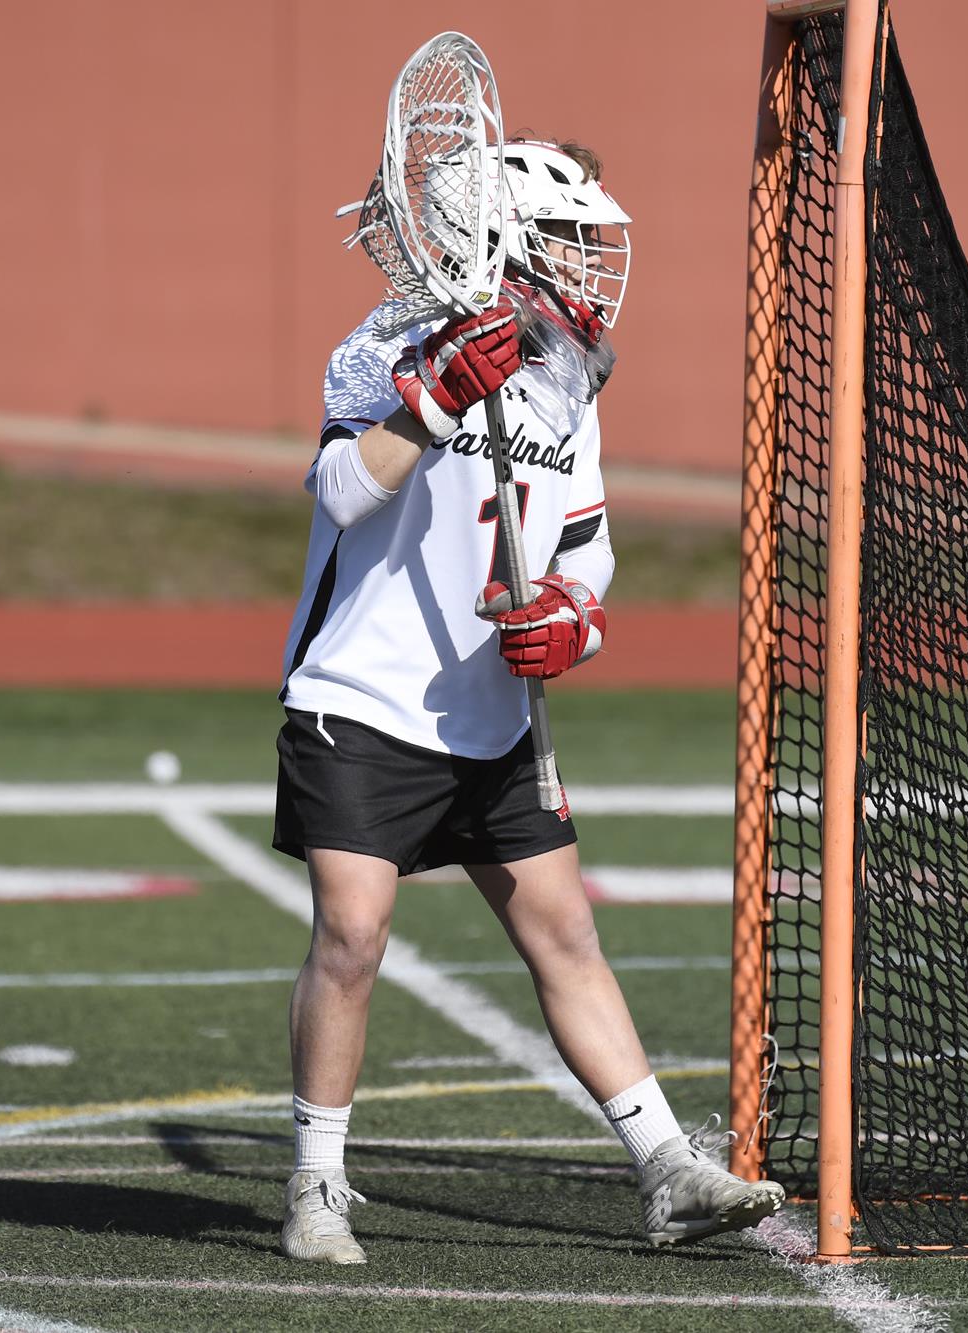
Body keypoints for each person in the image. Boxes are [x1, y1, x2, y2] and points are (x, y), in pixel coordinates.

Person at [272, 139, 785, 1264]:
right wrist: (428, 404)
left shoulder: (564, 374)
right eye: (561, 238)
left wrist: (572, 619)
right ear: (493, 234)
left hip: (490, 716)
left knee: (564, 934)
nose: (585, 263)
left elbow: (586, 549)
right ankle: (316, 1186)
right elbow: (340, 491)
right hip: (363, 700)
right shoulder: (380, 344)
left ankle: (663, 1169)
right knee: (353, 938)